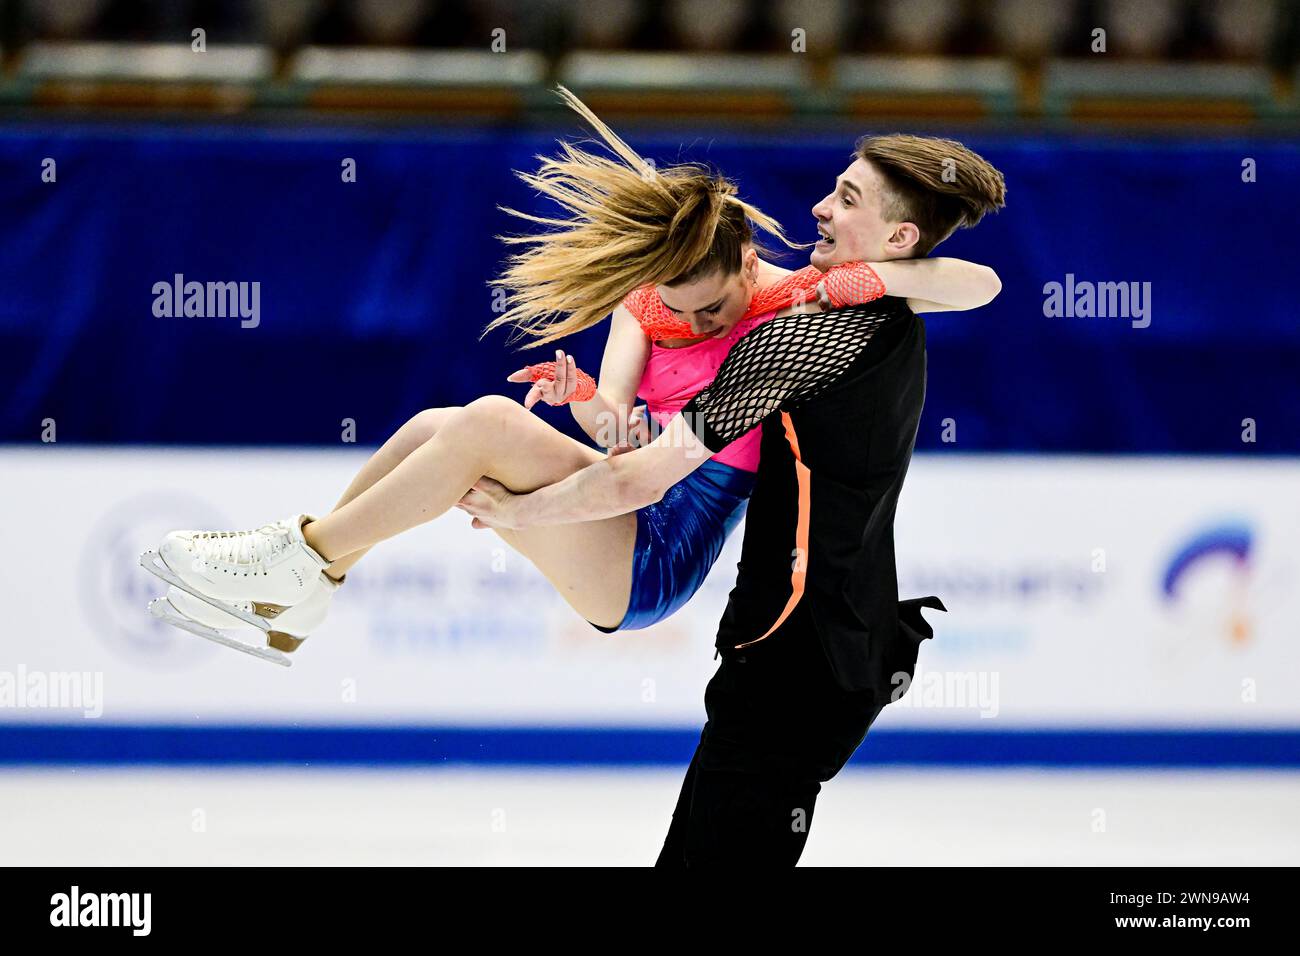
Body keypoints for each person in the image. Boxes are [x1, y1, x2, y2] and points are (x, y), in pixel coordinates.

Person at [139, 91, 1001, 676]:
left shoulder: (795, 296)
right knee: (431, 428)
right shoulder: (643, 310)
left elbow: (979, 284)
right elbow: (620, 442)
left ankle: (300, 559)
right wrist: (589, 398)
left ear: (749, 260)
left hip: (660, 559)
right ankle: (302, 598)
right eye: (684, 312)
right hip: (630, 506)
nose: (703, 329)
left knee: (480, 422)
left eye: (715, 309)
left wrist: (880, 279)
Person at [457, 132, 1008, 866]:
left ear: (898, 236)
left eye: (847, 199)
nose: (819, 207)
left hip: (798, 657)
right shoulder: (880, 318)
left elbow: (640, 476)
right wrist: (875, 275)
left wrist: (516, 513)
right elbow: (974, 284)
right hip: (808, 648)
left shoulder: (807, 337)